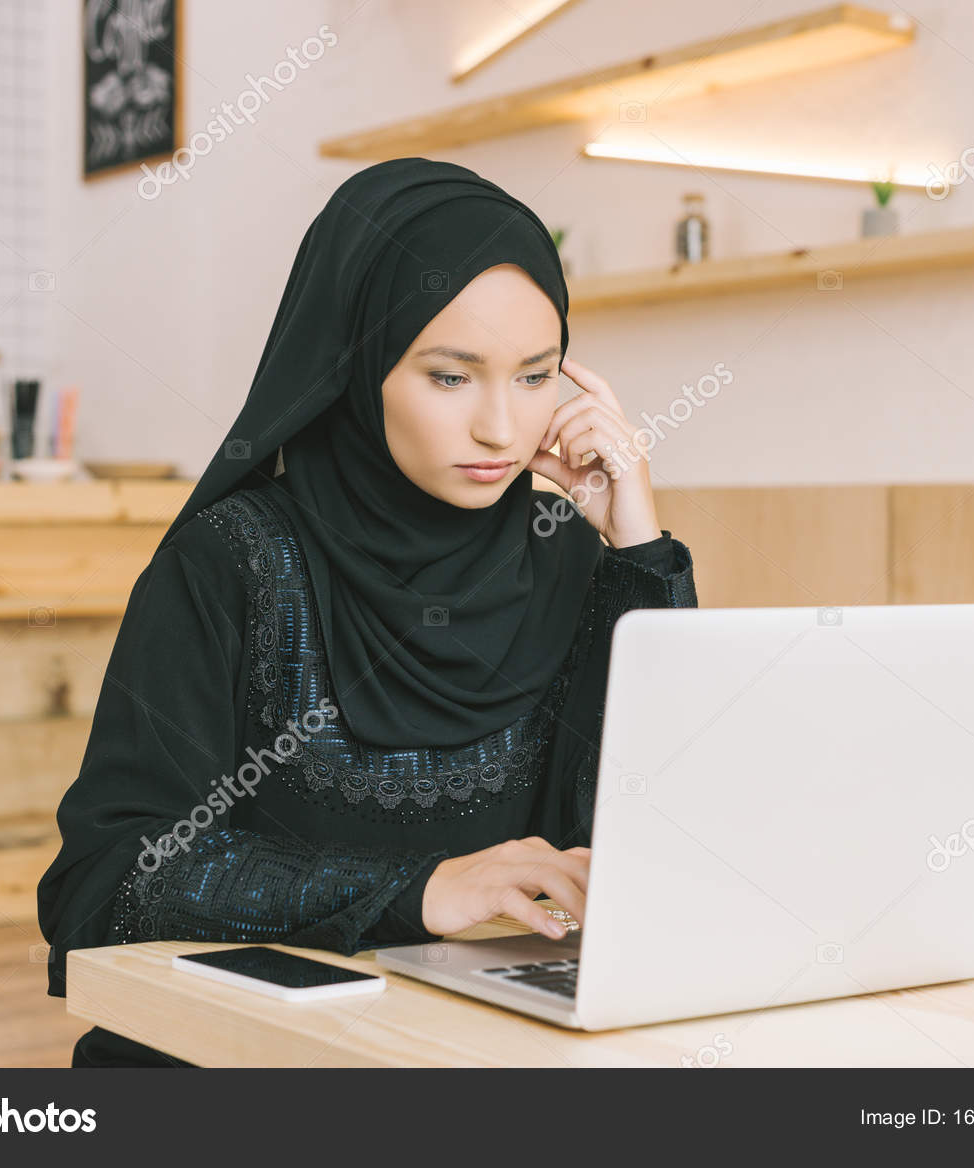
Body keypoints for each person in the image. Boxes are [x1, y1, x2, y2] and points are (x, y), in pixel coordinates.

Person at [36, 157, 699, 1067]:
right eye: (451, 377)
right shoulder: (232, 562)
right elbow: (109, 883)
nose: (503, 430)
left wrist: (639, 550)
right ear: (355, 364)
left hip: (481, 1053)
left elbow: (660, 848)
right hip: (245, 1064)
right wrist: (420, 891)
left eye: (537, 375)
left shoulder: (569, 560)